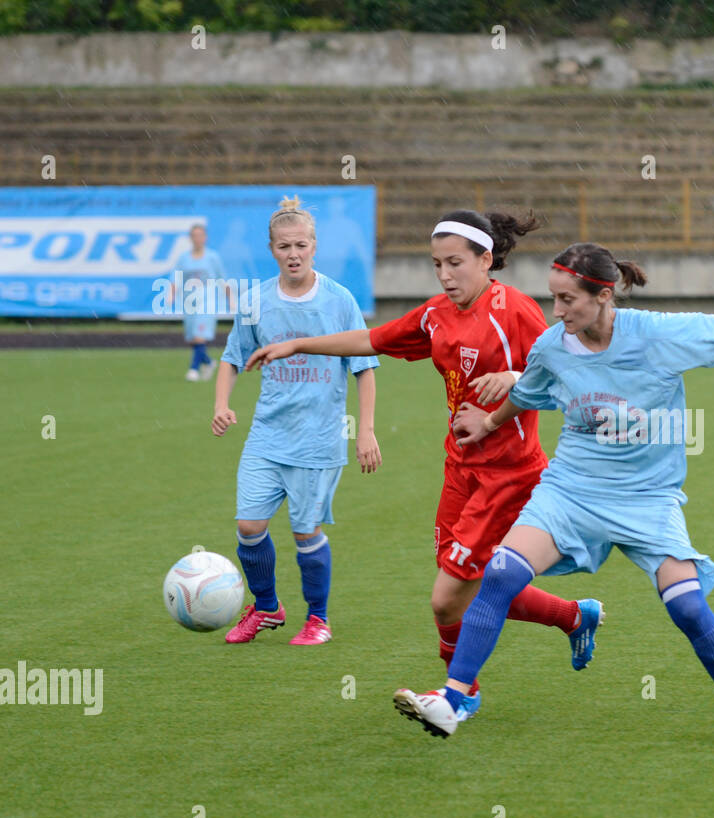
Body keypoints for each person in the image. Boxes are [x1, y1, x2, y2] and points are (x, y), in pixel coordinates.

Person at [391, 243, 714, 743]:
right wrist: (490, 422)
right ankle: (451, 701)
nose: (556, 312)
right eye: (553, 299)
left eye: (567, 300)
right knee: (500, 575)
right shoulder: (554, 346)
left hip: (647, 499)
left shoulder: (657, 335)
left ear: (603, 295)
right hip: (572, 492)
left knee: (687, 608)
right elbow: (528, 392)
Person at [243, 210, 604, 720]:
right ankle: (573, 615)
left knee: (445, 599)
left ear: (486, 260)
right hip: (459, 470)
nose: (445, 275)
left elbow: (564, 374)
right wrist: (299, 344)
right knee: (469, 587)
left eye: (455, 263)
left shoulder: (515, 311)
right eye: (437, 264)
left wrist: (511, 380)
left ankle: (460, 695)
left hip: (509, 476)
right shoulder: (437, 314)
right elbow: (373, 340)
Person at [212, 197, 382, 646]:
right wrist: (221, 404)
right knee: (248, 527)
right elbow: (231, 358)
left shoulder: (339, 299)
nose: (294, 253)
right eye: (285, 246)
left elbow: (364, 368)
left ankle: (318, 619)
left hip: (319, 439)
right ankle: (267, 607)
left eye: (301, 245)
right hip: (267, 433)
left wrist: (365, 429)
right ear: (272, 249)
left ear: (314, 246)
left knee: (306, 532)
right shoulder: (255, 301)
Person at [174, 224, 229, 381]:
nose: (197, 239)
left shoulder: (212, 257)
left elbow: (221, 278)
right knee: (192, 339)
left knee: (200, 336)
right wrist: (171, 294)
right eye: (194, 235)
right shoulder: (183, 258)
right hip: (189, 301)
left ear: (205, 238)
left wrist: (229, 298)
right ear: (190, 238)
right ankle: (208, 362)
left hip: (207, 301)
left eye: (200, 235)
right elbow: (176, 277)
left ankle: (193, 370)